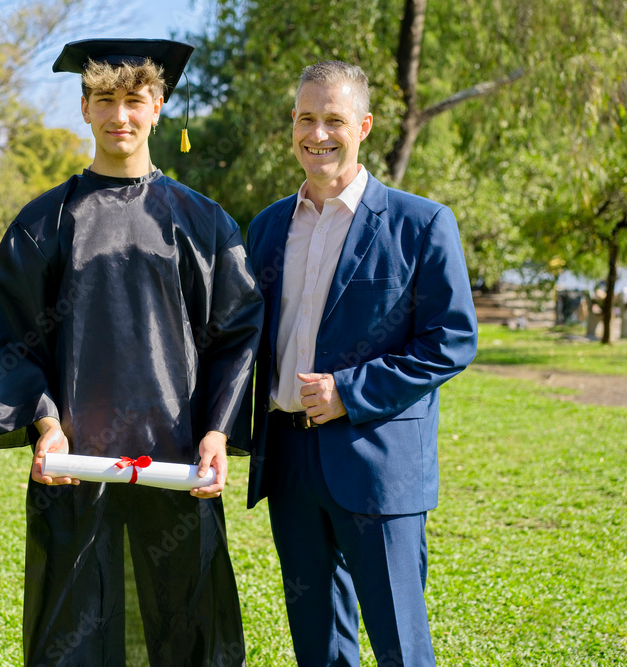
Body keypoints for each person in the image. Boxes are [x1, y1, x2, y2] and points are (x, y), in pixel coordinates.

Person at [0, 39, 263, 666]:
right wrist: (46, 424)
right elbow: (10, 332)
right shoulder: (45, 222)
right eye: (104, 100)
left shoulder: (202, 222)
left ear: (158, 107)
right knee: (74, 630)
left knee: (185, 623)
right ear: (84, 108)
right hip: (77, 467)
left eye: (134, 99)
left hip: (177, 460)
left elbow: (237, 333)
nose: (119, 116)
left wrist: (216, 431)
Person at [243, 61, 478, 666]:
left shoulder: (422, 223)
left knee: (401, 644)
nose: (317, 133)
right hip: (289, 464)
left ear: (364, 126)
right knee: (318, 645)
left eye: (334, 120)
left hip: (379, 465)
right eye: (305, 118)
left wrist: (350, 392)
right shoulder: (267, 227)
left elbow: (452, 338)